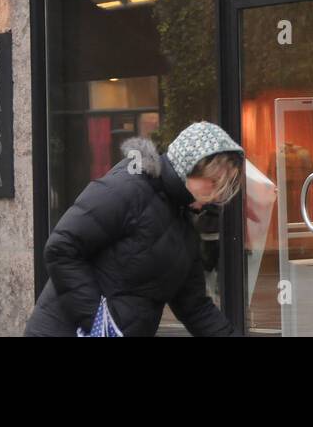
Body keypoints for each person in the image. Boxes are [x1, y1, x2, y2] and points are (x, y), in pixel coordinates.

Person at [24, 122, 245, 337]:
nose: (217, 195)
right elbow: (61, 248)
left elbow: (195, 307)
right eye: (214, 182)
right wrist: (101, 324)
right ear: (188, 167)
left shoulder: (184, 227)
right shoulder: (128, 189)